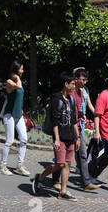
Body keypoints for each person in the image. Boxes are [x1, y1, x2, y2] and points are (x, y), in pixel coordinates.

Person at [31, 73, 79, 201]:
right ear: (66, 84)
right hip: (60, 137)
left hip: (70, 137)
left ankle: (63, 192)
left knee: (67, 164)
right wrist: (57, 139)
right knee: (59, 164)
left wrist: (77, 137)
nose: (74, 86)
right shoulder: (56, 99)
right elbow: (54, 121)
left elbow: (74, 120)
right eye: (73, 84)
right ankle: (40, 178)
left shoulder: (71, 100)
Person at [0, 61, 30, 176]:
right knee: (9, 141)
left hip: (18, 115)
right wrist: (16, 77)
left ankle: (20, 165)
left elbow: (19, 99)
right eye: (21, 69)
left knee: (24, 139)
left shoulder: (17, 80)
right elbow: (19, 86)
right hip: (9, 115)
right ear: (16, 70)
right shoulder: (9, 82)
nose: (23, 71)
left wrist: (23, 114)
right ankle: (2, 166)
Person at [69, 68, 99, 190]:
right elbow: (70, 112)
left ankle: (86, 182)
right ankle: (51, 179)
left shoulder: (83, 91)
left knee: (82, 154)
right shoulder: (70, 91)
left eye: (86, 79)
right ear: (76, 79)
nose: (85, 82)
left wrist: (88, 114)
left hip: (79, 127)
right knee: (65, 158)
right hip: (69, 127)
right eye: (83, 79)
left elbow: (84, 106)